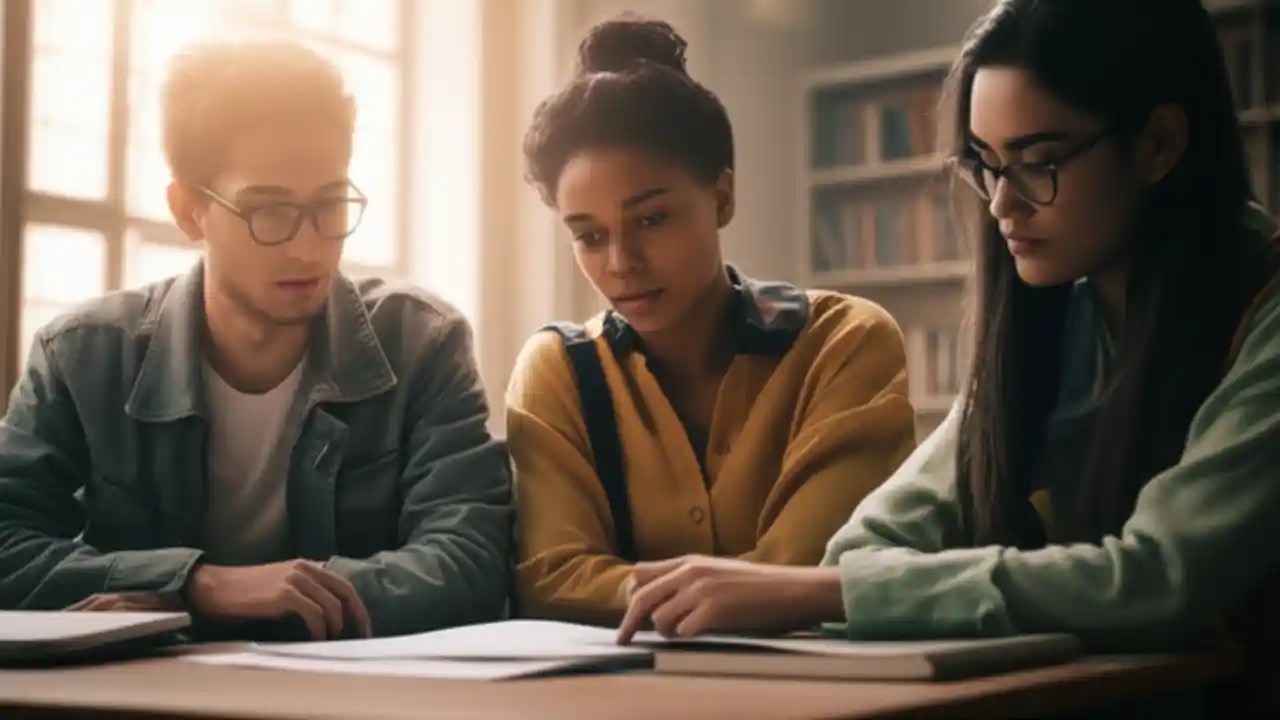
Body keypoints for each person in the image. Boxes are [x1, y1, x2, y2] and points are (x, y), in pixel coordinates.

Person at [618, 0, 1280, 704]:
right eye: (985, 165)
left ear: (1159, 143)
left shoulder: (1261, 318)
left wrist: (823, 593)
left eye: (1038, 163)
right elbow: (867, 546)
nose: (1001, 206)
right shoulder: (1054, 318)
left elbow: (1158, 579)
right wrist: (838, 588)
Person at [0, 40, 513, 641]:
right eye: (268, 212)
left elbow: (469, 562)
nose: (309, 246)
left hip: (348, 696)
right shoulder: (83, 356)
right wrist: (201, 585)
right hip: (147, 699)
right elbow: (8, 544)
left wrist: (225, 607)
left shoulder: (423, 343)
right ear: (189, 211)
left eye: (329, 204)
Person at [508, 17, 917, 626]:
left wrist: (624, 589)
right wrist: (717, 593)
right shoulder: (559, 370)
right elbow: (550, 578)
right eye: (590, 236)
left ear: (722, 198)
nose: (621, 263)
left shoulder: (844, 341)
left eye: (651, 220)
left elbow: (824, 563)